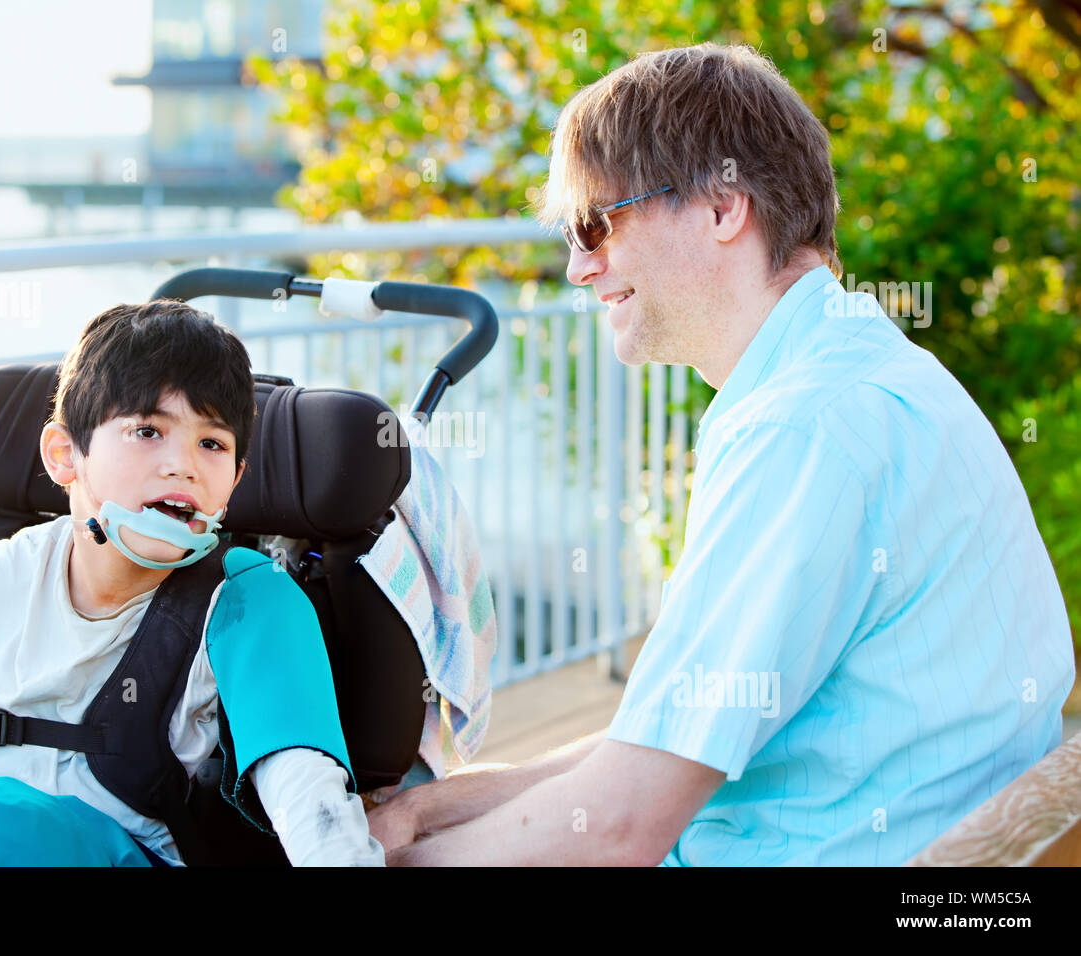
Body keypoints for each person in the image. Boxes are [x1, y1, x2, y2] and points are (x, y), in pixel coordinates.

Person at [366, 42, 1075, 865]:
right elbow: (656, 746)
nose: (576, 265)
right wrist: (437, 808)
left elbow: (625, 825)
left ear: (722, 206)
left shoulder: (801, 431)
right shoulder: (864, 373)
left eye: (597, 222)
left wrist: (389, 862)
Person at [0, 299, 384, 867]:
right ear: (64, 455)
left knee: (4, 826)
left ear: (236, 478)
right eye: (148, 430)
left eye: (212, 443)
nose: (184, 464)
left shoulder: (248, 604)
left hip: (113, 853)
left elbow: (314, 808)